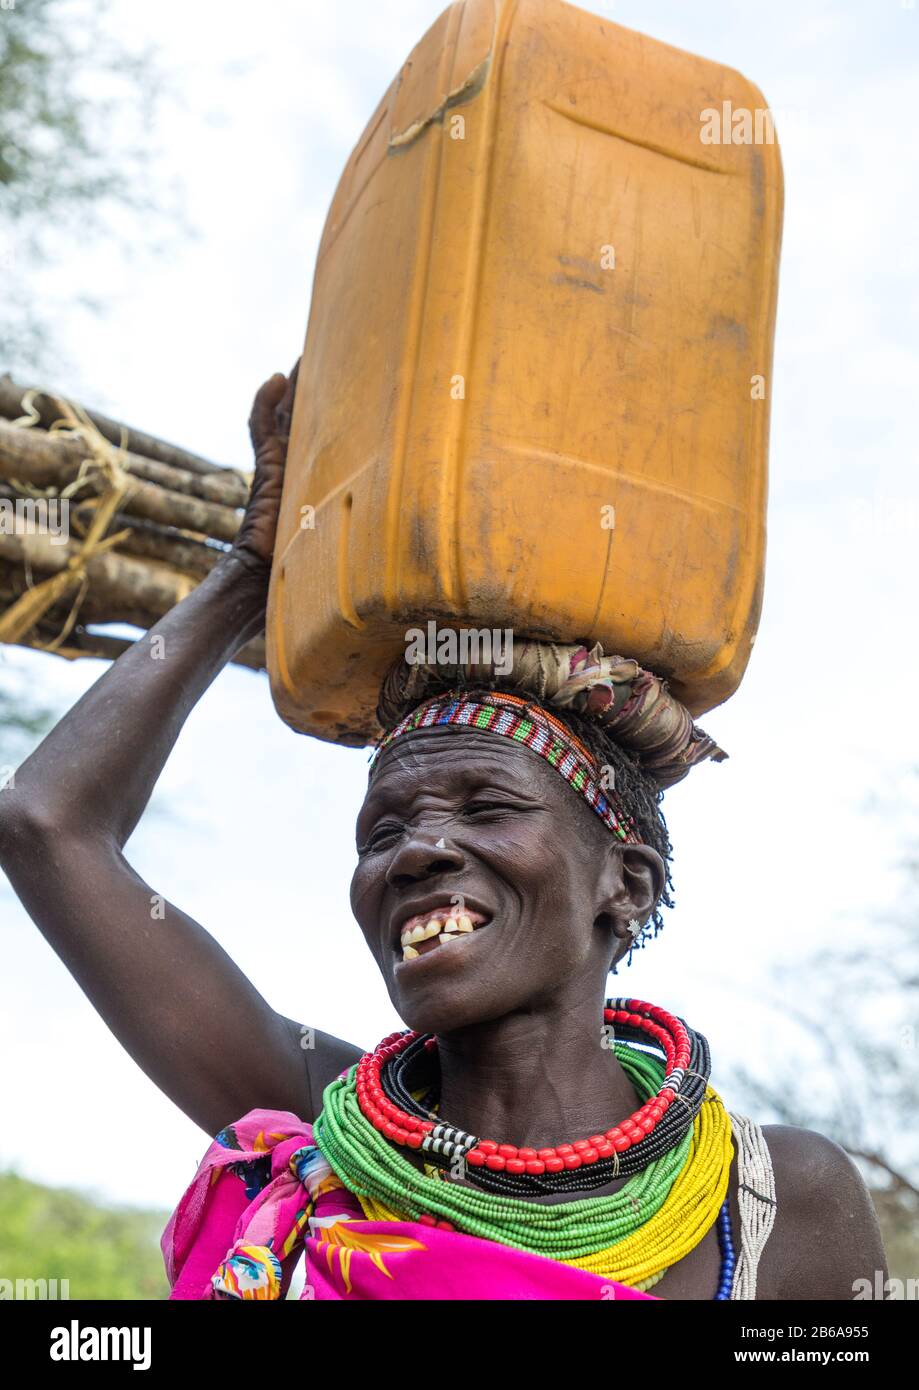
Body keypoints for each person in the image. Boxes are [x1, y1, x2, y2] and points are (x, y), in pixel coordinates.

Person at [0, 368, 887, 1301]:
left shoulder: (776, 1198)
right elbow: (46, 823)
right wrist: (249, 575)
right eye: (380, 831)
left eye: (488, 807)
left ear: (622, 884)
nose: (414, 852)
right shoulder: (326, 1130)